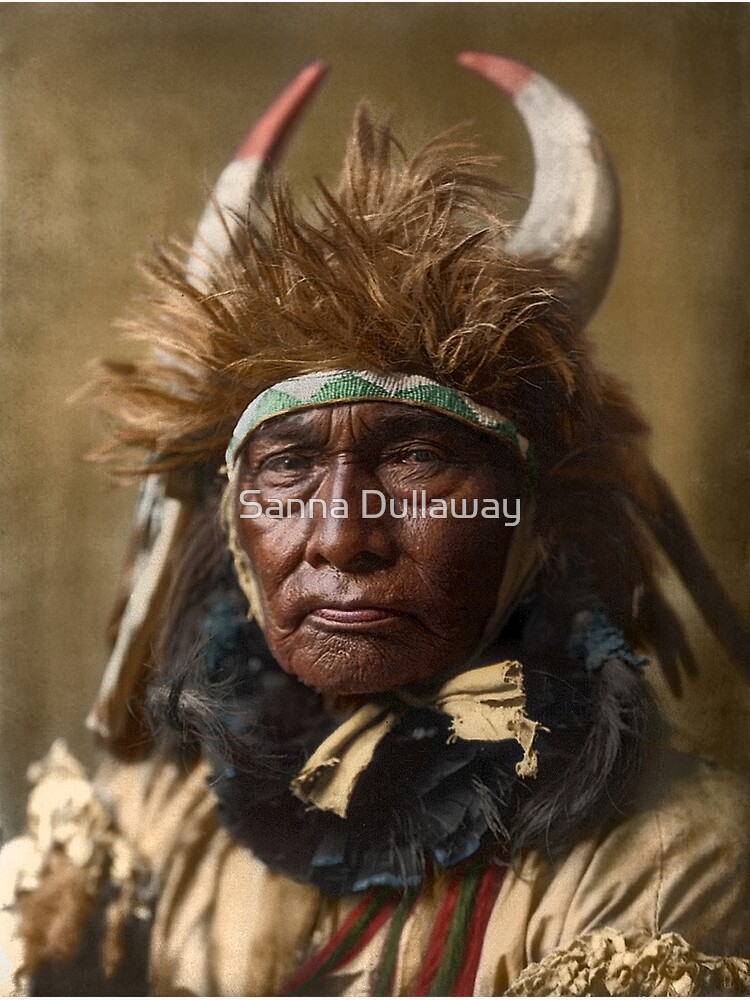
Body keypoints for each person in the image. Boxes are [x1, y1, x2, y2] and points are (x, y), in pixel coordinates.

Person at [1, 53, 749, 996]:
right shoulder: (152, 832)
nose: (341, 536)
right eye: (287, 466)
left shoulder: (669, 859)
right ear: (232, 528)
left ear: (535, 523)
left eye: (417, 457)